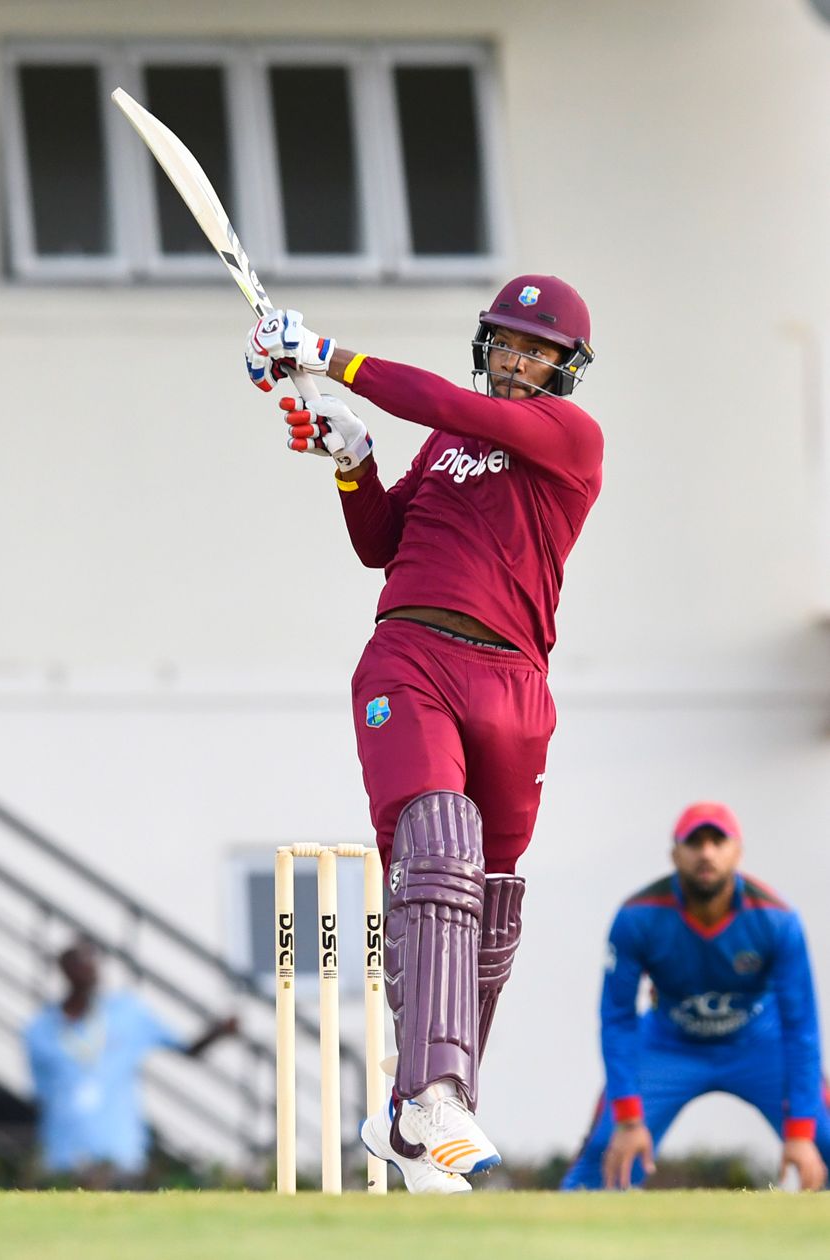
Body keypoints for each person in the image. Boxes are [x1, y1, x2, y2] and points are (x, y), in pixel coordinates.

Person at [245, 277, 603, 1193]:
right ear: (487, 344)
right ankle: (436, 1097)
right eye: (507, 343)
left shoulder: (569, 436)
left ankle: (415, 1113)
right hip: (411, 658)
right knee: (439, 843)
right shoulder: (448, 443)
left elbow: (441, 401)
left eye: (537, 351)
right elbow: (382, 542)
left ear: (564, 368)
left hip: (516, 682)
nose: (517, 361)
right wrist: (354, 460)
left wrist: (327, 357)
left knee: (492, 899)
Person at [561, 801, 830, 1191]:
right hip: (670, 1043)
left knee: (823, 1137)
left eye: (717, 842)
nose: (706, 853)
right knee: (608, 1151)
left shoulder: (776, 920)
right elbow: (617, 1018)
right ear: (675, 854)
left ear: (737, 852)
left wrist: (802, 1132)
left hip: (758, 1041)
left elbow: (801, 1026)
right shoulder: (638, 917)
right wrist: (630, 1119)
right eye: (694, 842)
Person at [24, 939, 238, 1185]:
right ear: (65, 970)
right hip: (64, 1156)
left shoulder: (127, 1013)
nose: (91, 969)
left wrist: (218, 1033)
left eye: (94, 962)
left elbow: (187, 1049)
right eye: (82, 963)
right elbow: (40, 1094)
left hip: (120, 1156)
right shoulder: (40, 1028)